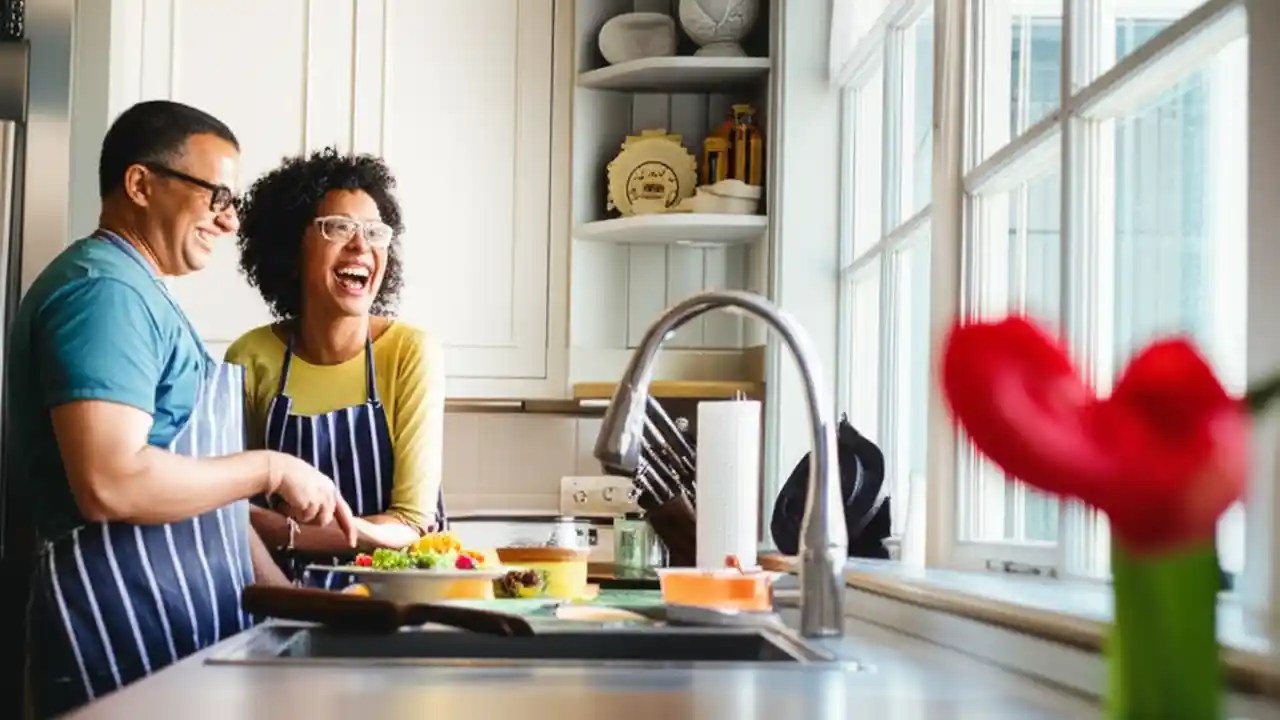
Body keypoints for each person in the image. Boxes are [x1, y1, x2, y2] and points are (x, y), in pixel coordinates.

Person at [8, 100, 356, 719]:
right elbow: (112, 482)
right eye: (217, 196)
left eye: (234, 203)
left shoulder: (138, 292)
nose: (228, 223)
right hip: (116, 639)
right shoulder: (104, 293)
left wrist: (288, 601)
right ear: (141, 184)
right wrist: (271, 468)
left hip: (170, 636)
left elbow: (188, 491)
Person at [225, 147, 446, 589]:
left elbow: (412, 526)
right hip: (280, 594)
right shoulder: (249, 358)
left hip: (394, 600)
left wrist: (291, 532)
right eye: (339, 227)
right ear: (292, 246)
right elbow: (232, 514)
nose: (361, 245)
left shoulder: (410, 352)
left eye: (374, 231)